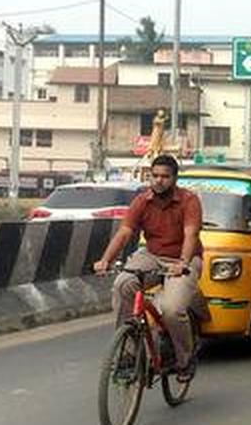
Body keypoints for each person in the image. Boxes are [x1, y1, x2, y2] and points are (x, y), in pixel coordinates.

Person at [94, 155, 203, 378]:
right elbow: (125, 233)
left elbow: (191, 234)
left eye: (165, 176)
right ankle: (130, 352)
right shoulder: (142, 201)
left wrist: (182, 264)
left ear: (174, 178)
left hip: (185, 258)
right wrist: (105, 259)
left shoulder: (189, 200)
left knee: (172, 310)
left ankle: (185, 358)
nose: (159, 181)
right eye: (155, 176)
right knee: (123, 284)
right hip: (152, 255)